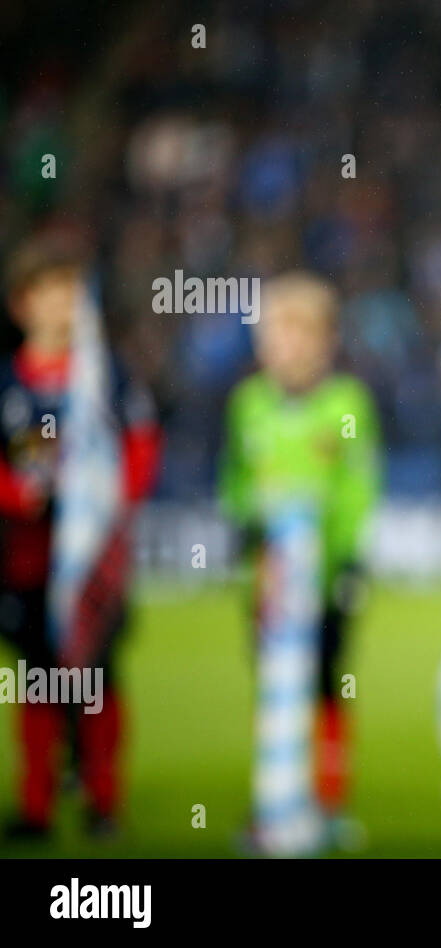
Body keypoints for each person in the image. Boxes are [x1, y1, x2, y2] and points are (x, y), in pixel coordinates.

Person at [0, 233, 161, 839]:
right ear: (22, 303)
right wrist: (21, 495)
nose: (63, 305)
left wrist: (111, 501)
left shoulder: (108, 375)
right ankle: (36, 803)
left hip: (94, 561)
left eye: (72, 291)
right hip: (28, 560)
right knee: (38, 681)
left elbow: (142, 443)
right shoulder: (9, 384)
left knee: (96, 679)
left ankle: (103, 801)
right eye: (49, 292)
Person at [218, 271, 380, 849]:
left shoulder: (346, 403)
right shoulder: (248, 405)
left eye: (303, 334)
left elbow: (359, 484)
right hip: (266, 581)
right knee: (276, 689)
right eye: (279, 335)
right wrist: (241, 525)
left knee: (326, 689)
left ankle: (328, 804)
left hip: (326, 579)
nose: (290, 347)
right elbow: (235, 481)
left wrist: (347, 558)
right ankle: (276, 801)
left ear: (326, 340)